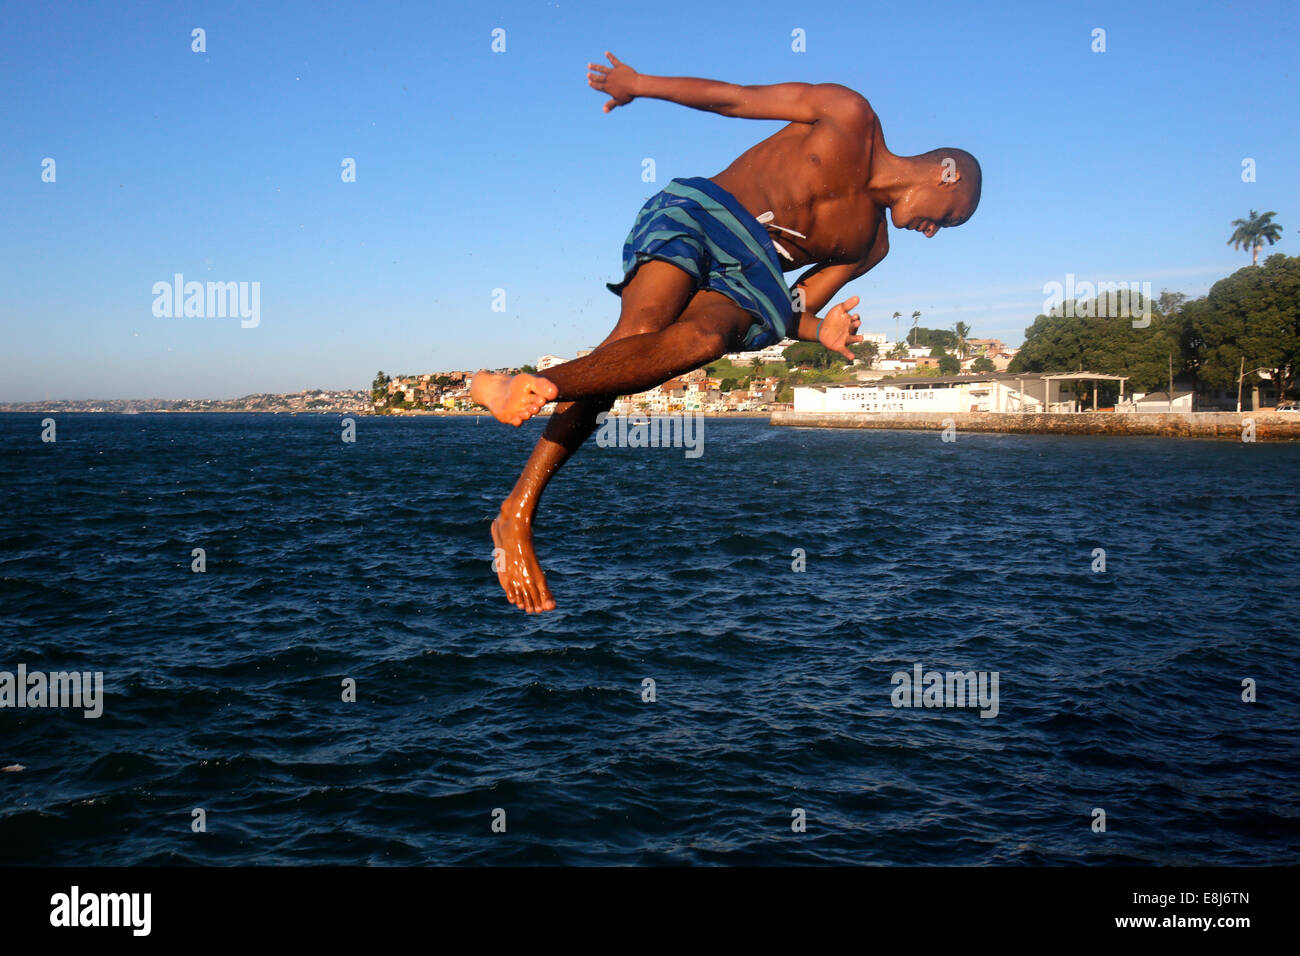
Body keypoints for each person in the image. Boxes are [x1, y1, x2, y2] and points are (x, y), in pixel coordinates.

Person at [471, 53, 981, 612]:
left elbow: (788, 307)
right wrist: (640, 83)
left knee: (702, 344)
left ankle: (521, 416)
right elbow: (734, 98)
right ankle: (519, 506)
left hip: (750, 275)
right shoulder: (849, 114)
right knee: (639, 331)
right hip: (707, 209)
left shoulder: (870, 246)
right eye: (951, 218)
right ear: (946, 173)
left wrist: (822, 333)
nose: (935, 232)